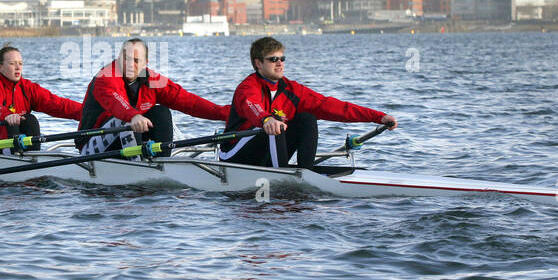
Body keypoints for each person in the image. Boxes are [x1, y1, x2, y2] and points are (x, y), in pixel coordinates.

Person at [221, 36, 397, 169]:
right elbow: (251, 106)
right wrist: (266, 120)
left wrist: (379, 117)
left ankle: (305, 173)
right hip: (235, 154)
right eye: (273, 59)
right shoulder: (248, 87)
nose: (280, 63)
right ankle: (283, 178)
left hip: (268, 151)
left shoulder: (293, 90)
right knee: (275, 123)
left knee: (306, 119)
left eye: (282, 59)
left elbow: (335, 107)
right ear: (258, 63)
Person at [77, 37, 229, 156]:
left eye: (136, 61)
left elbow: (190, 102)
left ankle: (162, 162)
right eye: (126, 59)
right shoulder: (106, 77)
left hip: (126, 141)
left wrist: (230, 114)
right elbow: (115, 101)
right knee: (126, 120)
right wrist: (133, 116)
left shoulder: (152, 81)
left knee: (161, 112)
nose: (130, 64)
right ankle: (140, 169)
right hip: (91, 145)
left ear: (145, 63)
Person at [0, 46, 83, 150]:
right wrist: (7, 115)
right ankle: (18, 159)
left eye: (20, 63)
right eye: (12, 63)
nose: (18, 68)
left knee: (30, 120)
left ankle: (32, 158)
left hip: (11, 140)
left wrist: (87, 113)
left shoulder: (28, 88)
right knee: (14, 122)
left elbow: (58, 104)